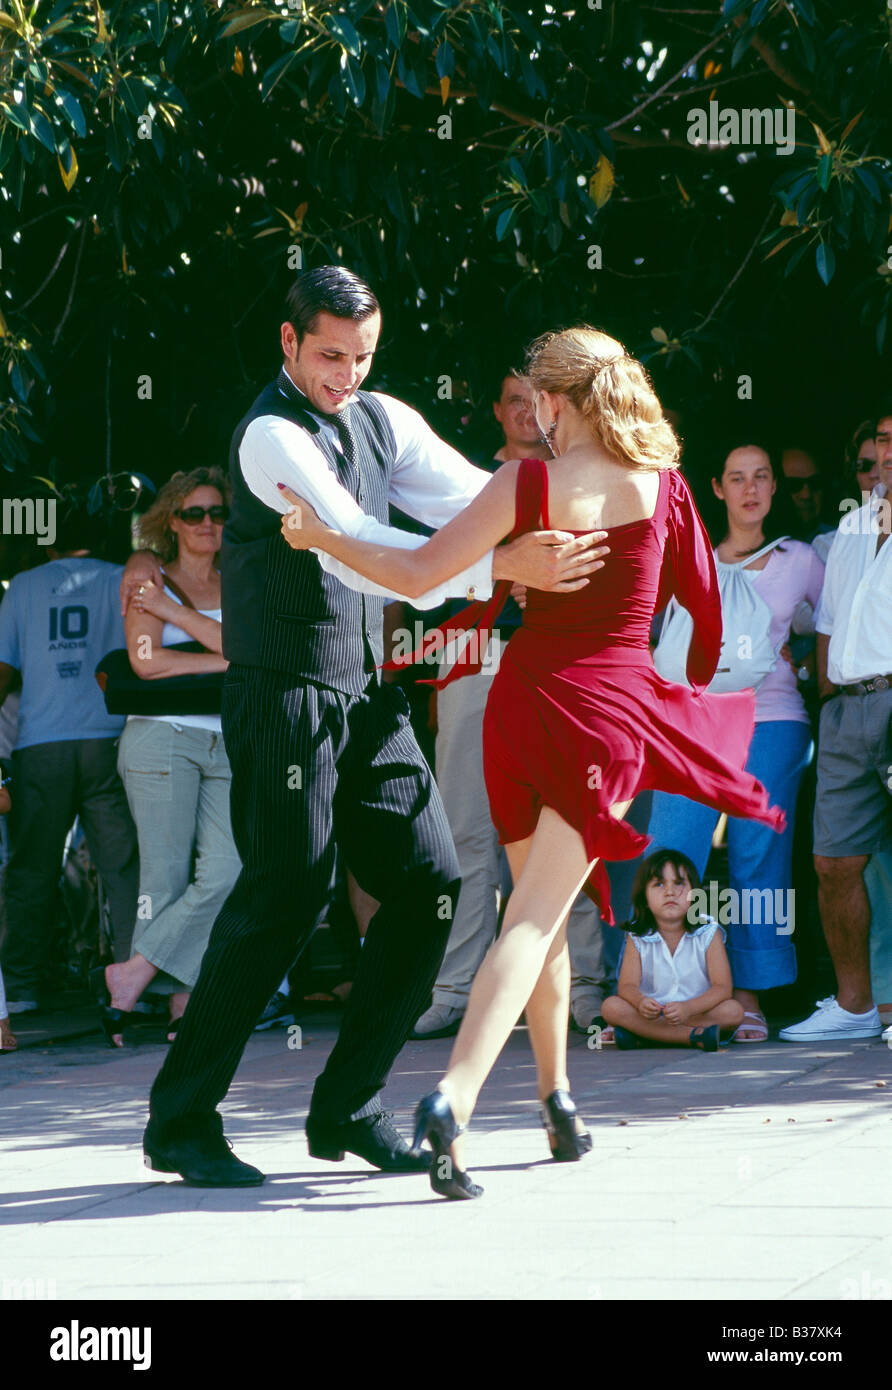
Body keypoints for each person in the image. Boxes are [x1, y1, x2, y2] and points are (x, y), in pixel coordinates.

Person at [120, 266, 609, 1188]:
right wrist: (502, 568)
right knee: (285, 893)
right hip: (281, 693)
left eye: (363, 356)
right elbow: (356, 545)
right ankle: (179, 1122)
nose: (347, 375)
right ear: (290, 343)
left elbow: (472, 496)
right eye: (331, 355)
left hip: (364, 692)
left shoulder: (382, 418)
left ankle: (347, 1107)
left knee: (430, 884)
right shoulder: (270, 436)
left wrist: (592, 498)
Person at [279, 324, 785, 1200]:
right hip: (605, 716)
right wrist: (681, 685)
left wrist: (322, 537)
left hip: (519, 703)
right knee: (533, 917)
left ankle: (556, 1099)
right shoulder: (663, 486)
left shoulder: (525, 483)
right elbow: (703, 619)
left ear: (553, 402)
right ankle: (455, 1096)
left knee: (534, 909)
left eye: (536, 400)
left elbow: (417, 575)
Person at [414, 367, 608, 1041]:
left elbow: (618, 572)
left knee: (567, 825)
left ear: (558, 409)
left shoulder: (583, 480)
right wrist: (504, 565)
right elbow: (428, 569)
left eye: (538, 401)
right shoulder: (465, 484)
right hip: (473, 654)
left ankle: (584, 985)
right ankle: (455, 988)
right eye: (515, 401)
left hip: (561, 660)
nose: (529, 412)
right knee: (466, 826)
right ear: (497, 411)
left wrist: (553, 583)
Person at [647, 441, 824, 1041]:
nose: (750, 489)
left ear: (774, 487)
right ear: (718, 489)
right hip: (693, 725)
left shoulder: (800, 559)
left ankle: (747, 994)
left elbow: (832, 626)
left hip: (772, 721)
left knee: (757, 858)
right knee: (671, 852)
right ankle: (669, 993)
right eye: (737, 478)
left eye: (762, 477)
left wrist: (807, 663)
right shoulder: (686, 558)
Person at [92, 468, 238, 1047]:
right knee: (164, 876)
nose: (207, 523)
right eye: (194, 513)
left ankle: (132, 974)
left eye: (218, 512)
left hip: (228, 740)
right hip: (160, 738)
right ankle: (181, 1007)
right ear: (171, 521)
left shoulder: (238, 579)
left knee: (227, 870)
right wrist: (226, 660)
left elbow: (247, 645)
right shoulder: (147, 575)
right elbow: (146, 661)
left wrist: (173, 614)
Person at [779, 401, 892, 1042]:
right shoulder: (850, 526)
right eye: (881, 440)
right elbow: (826, 623)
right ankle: (855, 1006)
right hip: (846, 708)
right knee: (834, 862)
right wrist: (829, 699)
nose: (886, 452)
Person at [0, 502, 139, 1013]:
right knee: (123, 868)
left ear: (48, 545)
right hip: (111, 738)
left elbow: (2, 670)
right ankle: (135, 984)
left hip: (41, 743)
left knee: (31, 869)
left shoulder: (22, 586)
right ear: (100, 540)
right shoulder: (121, 577)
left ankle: (21, 988)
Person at [601, 849, 744, 1049]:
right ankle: (695, 1036)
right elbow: (627, 986)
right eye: (659, 884)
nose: (670, 892)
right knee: (611, 1007)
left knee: (733, 1011)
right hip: (652, 1015)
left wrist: (688, 1008)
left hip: (696, 1012)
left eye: (679, 883)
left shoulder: (709, 932)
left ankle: (646, 1035)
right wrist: (641, 1002)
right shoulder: (637, 936)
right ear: (644, 898)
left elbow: (722, 988)